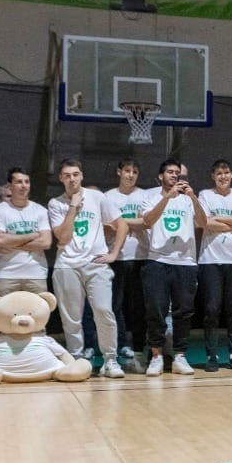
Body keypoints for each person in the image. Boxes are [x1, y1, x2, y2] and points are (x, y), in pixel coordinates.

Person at [47, 159, 126, 378]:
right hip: (66, 266)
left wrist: (113, 253)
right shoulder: (56, 204)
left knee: (103, 311)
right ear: (61, 178)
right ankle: (76, 361)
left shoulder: (98, 197)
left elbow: (122, 224)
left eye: (75, 174)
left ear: (81, 175)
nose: (72, 178)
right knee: (71, 317)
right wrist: (73, 206)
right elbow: (63, 236)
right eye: (67, 175)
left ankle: (111, 360)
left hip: (95, 264)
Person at [139, 159, 204, 376]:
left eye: (177, 172)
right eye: (169, 172)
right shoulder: (149, 196)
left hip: (185, 261)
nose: (174, 175)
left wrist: (193, 198)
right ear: (160, 176)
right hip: (157, 260)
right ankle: (156, 356)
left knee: (184, 311)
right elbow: (148, 221)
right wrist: (167, 197)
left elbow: (204, 223)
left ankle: (180, 356)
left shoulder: (188, 200)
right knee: (156, 309)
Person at [196, 160, 232, 371]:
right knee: (211, 309)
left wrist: (218, 218)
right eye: (219, 173)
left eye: (226, 172)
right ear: (213, 176)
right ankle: (212, 355)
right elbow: (204, 222)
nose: (223, 176)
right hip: (211, 259)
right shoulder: (205, 195)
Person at [104, 158, 150, 373]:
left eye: (135, 171)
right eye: (127, 171)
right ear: (119, 172)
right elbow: (104, 225)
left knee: (138, 308)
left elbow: (146, 222)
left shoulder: (145, 195)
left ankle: (138, 350)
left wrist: (120, 223)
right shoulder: (108, 197)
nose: (131, 175)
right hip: (117, 257)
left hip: (140, 256)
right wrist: (130, 223)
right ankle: (115, 349)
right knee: (114, 307)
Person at [0, 168, 51, 296]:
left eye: (27, 182)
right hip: (5, 274)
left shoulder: (40, 210)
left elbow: (46, 242)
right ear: (10, 186)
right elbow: (0, 240)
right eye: (19, 182)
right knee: (3, 315)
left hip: (36, 274)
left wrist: (11, 242)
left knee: (37, 314)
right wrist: (32, 235)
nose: (24, 186)